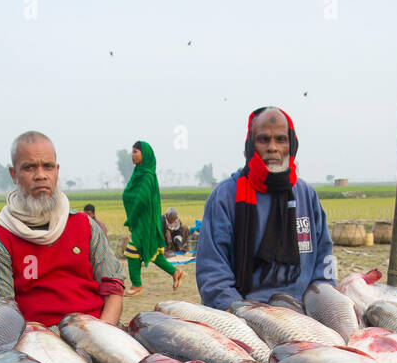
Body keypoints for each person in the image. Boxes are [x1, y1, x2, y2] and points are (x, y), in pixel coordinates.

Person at [0, 130, 125, 326]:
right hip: (37, 343)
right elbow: (3, 317)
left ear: (57, 170)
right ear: (14, 174)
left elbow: (113, 287)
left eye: (47, 167)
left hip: (97, 330)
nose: (41, 176)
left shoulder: (84, 225)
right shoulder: (1, 242)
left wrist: (104, 336)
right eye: (29, 168)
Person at [196, 106, 333, 309]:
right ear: (251, 145)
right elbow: (213, 275)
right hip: (242, 315)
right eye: (263, 139)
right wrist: (245, 315)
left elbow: (324, 263)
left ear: (291, 145)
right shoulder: (225, 197)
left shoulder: (307, 195)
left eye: (280, 139)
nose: (272, 147)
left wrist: (322, 306)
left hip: (304, 313)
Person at [122, 141, 184, 296]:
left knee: (132, 251)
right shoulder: (138, 173)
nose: (133, 154)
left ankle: (137, 285)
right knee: (153, 253)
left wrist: (132, 218)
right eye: (132, 151)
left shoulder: (147, 176)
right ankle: (176, 272)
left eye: (136, 151)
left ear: (146, 155)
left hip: (145, 224)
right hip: (140, 223)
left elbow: (141, 200)